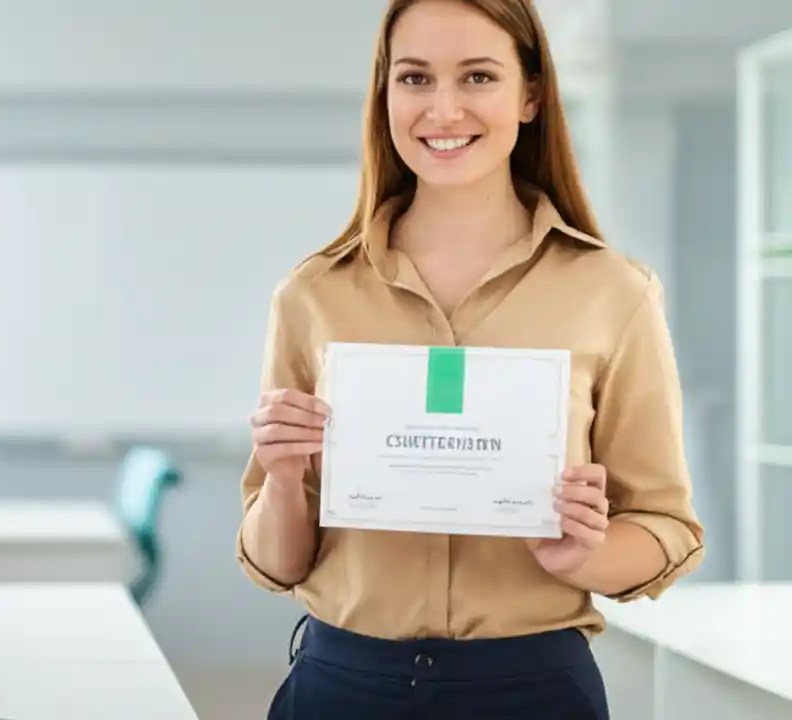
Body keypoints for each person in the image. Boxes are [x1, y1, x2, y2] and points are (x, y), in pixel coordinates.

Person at [236, 0, 705, 718]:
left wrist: (588, 553)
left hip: (533, 689)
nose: (443, 109)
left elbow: (666, 526)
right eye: (415, 78)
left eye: (478, 77)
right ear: (385, 93)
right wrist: (280, 476)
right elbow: (276, 563)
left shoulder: (614, 292)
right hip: (342, 686)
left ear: (530, 95)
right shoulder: (313, 294)